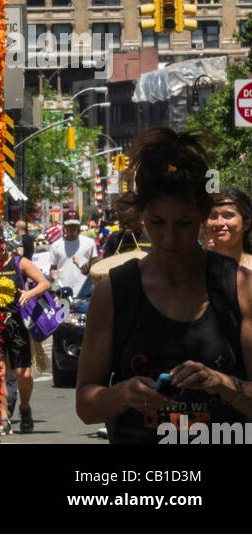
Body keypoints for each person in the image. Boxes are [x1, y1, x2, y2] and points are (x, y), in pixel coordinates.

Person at [76, 127, 252, 444]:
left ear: (202, 215)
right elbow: (86, 406)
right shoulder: (115, 293)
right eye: (157, 223)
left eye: (183, 224)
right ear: (142, 214)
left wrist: (221, 383)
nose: (170, 239)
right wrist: (122, 394)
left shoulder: (240, 287)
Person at [0, 231, 51, 436]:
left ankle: (25, 408)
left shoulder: (19, 262)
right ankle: (4, 418)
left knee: (24, 375)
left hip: (18, 326)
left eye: (1, 244)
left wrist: (29, 293)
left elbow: (45, 283)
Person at [48, 213, 98, 298]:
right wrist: (55, 284)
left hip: (86, 293)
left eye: (74, 225)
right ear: (64, 226)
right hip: (63, 293)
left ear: (79, 225)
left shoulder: (90, 243)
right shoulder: (56, 246)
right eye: (69, 225)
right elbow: (53, 268)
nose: (72, 228)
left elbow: (95, 266)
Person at [205, 188, 252, 270]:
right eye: (213, 216)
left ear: (246, 223)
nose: (219, 222)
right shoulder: (195, 269)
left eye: (228, 216)